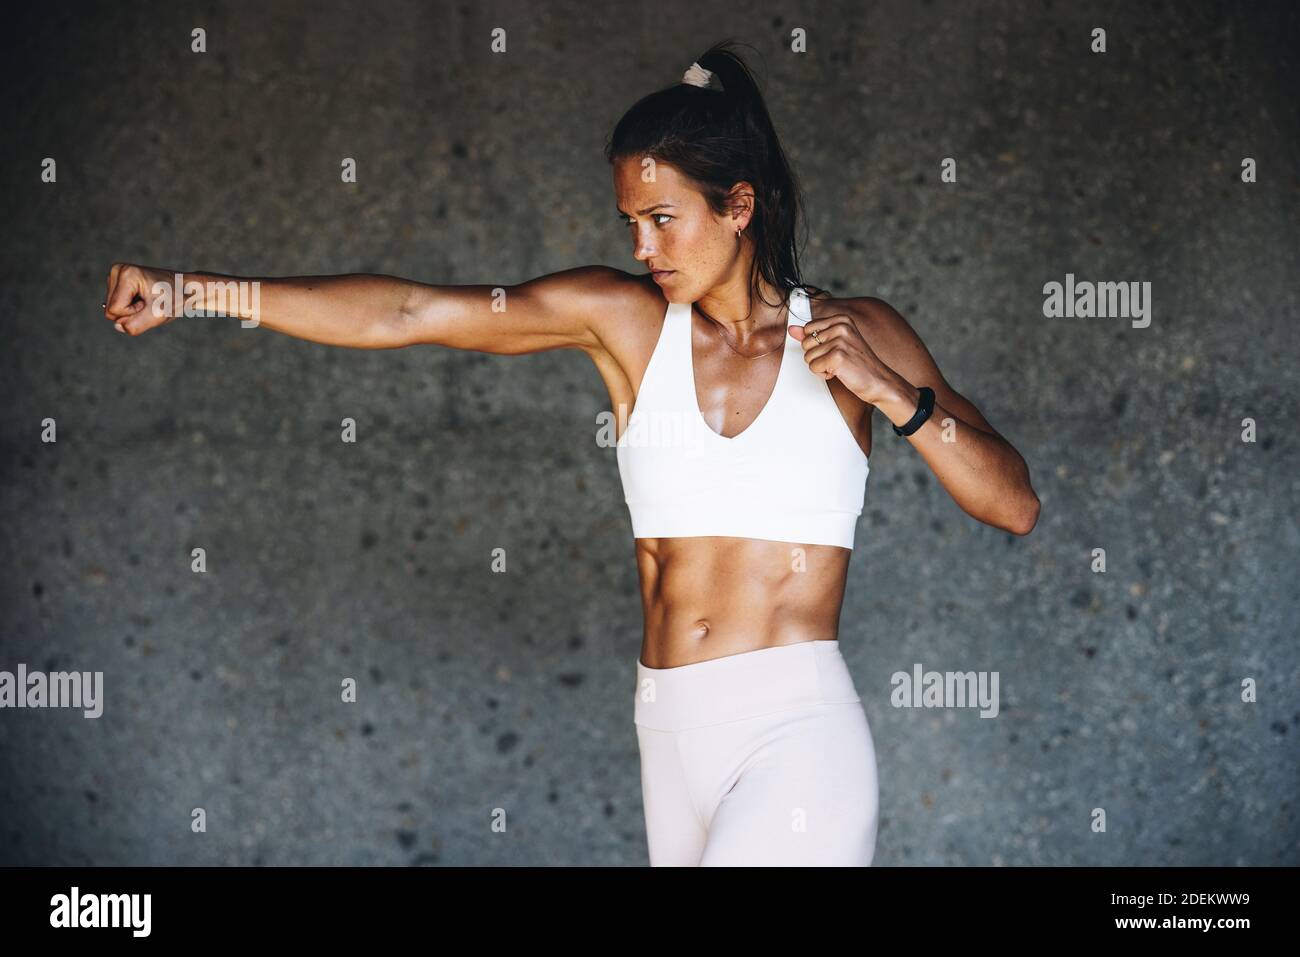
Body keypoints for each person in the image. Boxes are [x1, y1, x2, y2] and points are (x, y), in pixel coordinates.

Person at [101, 39, 1039, 866]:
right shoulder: (625, 322)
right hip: (667, 735)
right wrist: (193, 292)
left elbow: (1013, 503)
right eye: (629, 220)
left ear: (738, 204)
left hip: (797, 736)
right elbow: (411, 311)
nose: (642, 243)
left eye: (663, 218)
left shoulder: (855, 334)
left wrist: (894, 396)